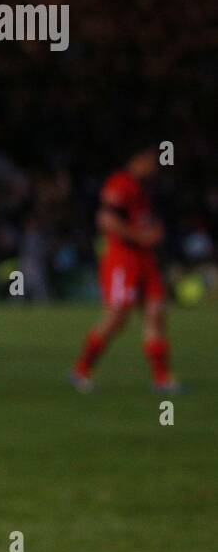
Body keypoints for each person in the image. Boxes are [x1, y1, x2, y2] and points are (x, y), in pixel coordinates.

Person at [71, 147, 182, 394]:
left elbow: (145, 220)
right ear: (137, 160)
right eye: (151, 162)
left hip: (145, 259)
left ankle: (162, 379)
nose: (154, 167)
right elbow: (106, 220)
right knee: (117, 317)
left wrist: (154, 233)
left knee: (155, 313)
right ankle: (81, 370)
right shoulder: (120, 183)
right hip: (123, 258)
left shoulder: (148, 188)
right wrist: (141, 236)